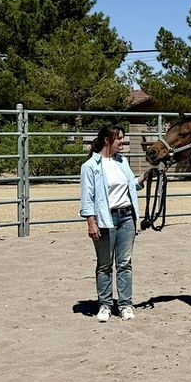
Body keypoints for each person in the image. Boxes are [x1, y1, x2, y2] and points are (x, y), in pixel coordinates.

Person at [80, 125, 149, 322]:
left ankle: (125, 304)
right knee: (104, 264)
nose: (123, 142)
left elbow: (130, 185)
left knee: (125, 263)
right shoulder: (90, 167)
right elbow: (87, 198)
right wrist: (91, 222)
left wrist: (145, 177)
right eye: (119, 139)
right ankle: (105, 304)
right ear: (107, 140)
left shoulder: (122, 162)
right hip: (105, 219)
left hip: (127, 216)